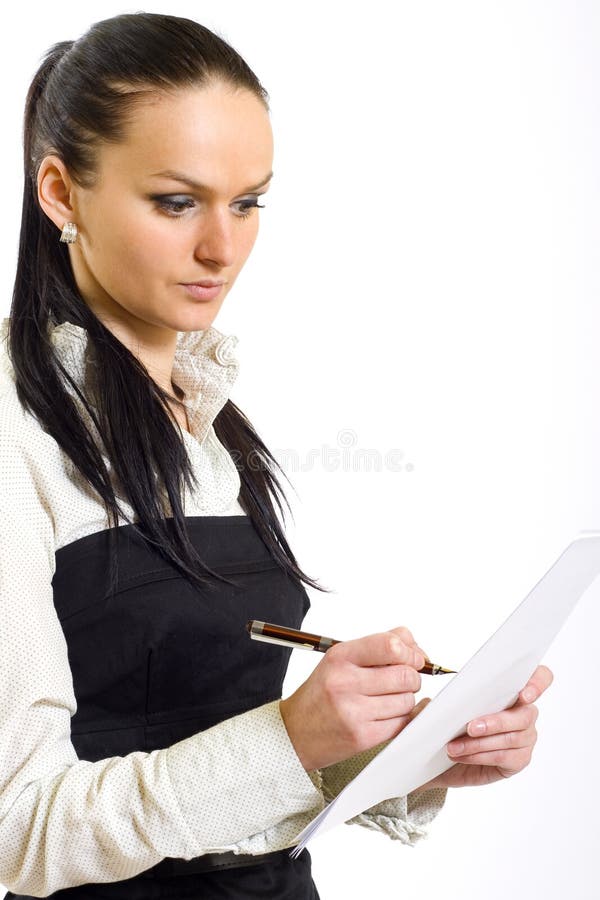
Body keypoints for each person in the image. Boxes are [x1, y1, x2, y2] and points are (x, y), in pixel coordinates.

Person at [0, 12, 553, 900]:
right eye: (177, 202)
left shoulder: (207, 416)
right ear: (61, 194)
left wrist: (405, 753)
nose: (222, 247)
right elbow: (17, 834)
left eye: (248, 201)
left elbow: (205, 747)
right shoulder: (12, 435)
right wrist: (290, 737)